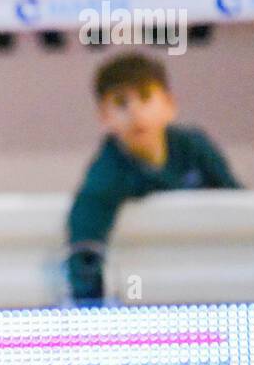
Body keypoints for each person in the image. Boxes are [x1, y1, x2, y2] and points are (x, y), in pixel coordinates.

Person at [66, 52, 241, 302]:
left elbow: (239, 206)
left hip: (212, 281)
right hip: (152, 293)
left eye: (145, 97)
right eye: (121, 103)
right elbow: (85, 242)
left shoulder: (194, 147)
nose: (135, 112)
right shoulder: (106, 172)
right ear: (104, 117)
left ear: (170, 105)